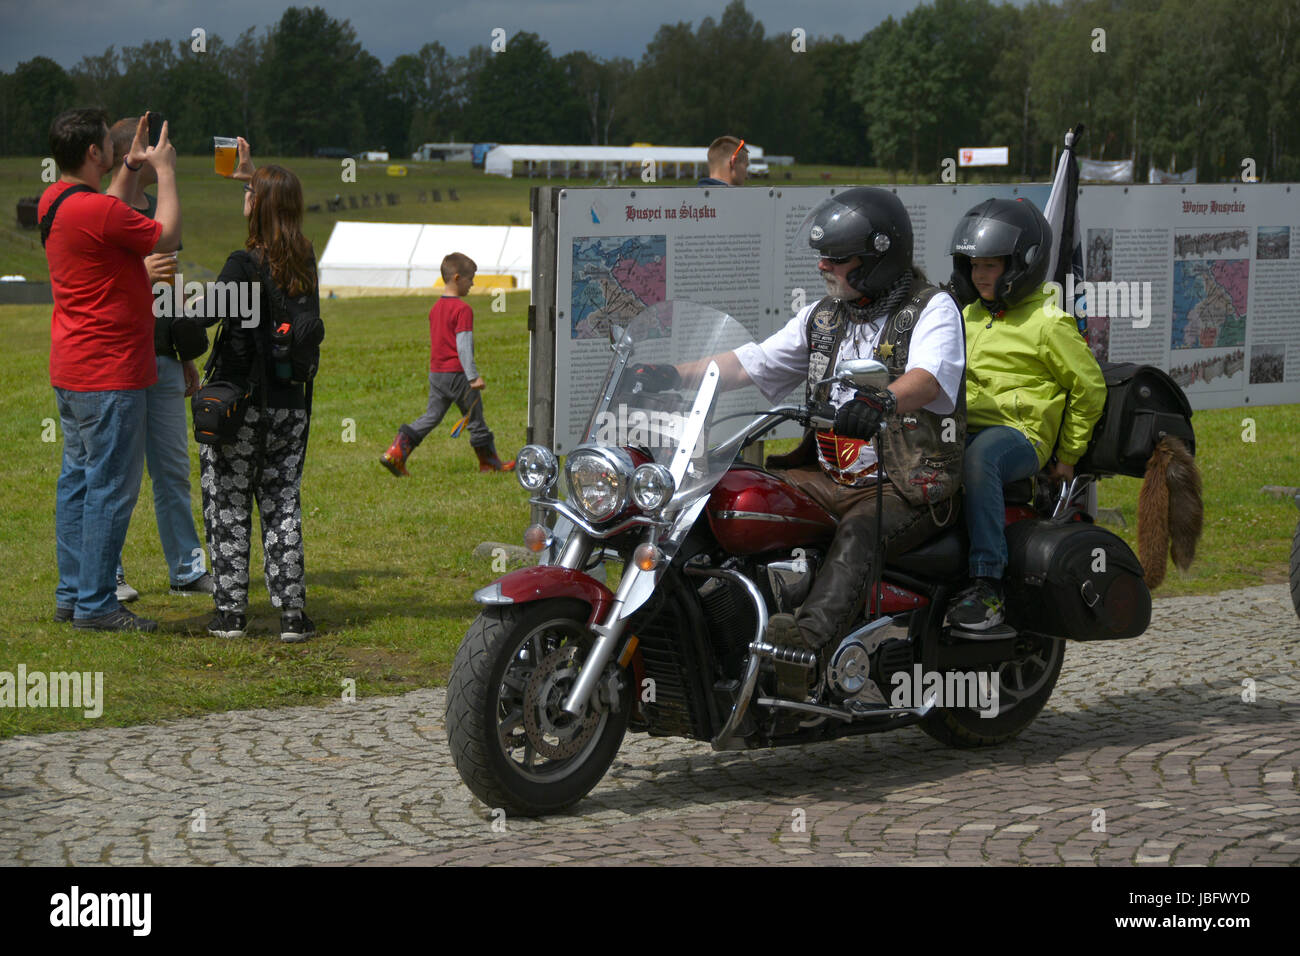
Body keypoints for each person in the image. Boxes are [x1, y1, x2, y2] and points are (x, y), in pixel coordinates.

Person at [657, 187, 966, 655]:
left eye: (837, 258)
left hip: (902, 483)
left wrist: (883, 400)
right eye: (823, 256)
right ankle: (696, 625)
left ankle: (804, 652)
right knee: (728, 495)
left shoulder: (930, 308)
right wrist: (669, 375)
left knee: (860, 534)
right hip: (827, 474)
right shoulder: (823, 318)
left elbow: (927, 378)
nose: (823, 266)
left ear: (878, 259)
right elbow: (752, 363)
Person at [42, 109, 181, 632]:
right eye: (109, 144)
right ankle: (98, 604)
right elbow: (165, 234)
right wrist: (162, 170)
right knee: (109, 489)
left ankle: (73, 594)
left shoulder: (60, 201)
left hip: (75, 367)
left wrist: (128, 164)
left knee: (77, 483)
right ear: (94, 153)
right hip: (111, 373)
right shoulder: (98, 213)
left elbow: (108, 206)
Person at [946, 197, 1107, 631]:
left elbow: (1089, 387)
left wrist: (1069, 454)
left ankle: (988, 584)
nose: (980, 275)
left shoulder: (1048, 322)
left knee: (982, 459)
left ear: (1022, 265)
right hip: (966, 427)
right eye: (974, 265)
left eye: (992, 266)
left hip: (1019, 434)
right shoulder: (966, 315)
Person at [200, 151, 321, 642]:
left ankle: (230, 613)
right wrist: (255, 175)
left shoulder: (241, 264)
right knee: (281, 502)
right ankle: (292, 613)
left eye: (249, 194)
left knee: (228, 501)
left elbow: (208, 313)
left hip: (241, 404)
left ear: (261, 207)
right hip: (290, 405)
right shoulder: (304, 261)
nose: (244, 199)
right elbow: (278, 199)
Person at [106, 117, 213, 603]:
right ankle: (108, 572)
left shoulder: (158, 209)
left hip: (163, 360)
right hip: (120, 360)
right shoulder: (104, 209)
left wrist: (182, 352)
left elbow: (168, 290)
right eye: (154, 145)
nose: (162, 153)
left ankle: (187, 570)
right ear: (133, 149)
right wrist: (138, 270)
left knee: (171, 469)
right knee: (115, 474)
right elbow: (100, 286)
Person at [380, 253, 515, 476]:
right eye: (470, 279)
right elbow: (463, 346)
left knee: (431, 416)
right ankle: (490, 463)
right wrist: (472, 377)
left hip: (437, 373)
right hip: (458, 375)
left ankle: (396, 453)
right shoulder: (462, 310)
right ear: (457, 278)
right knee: (475, 418)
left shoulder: (435, 308)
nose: (472, 284)